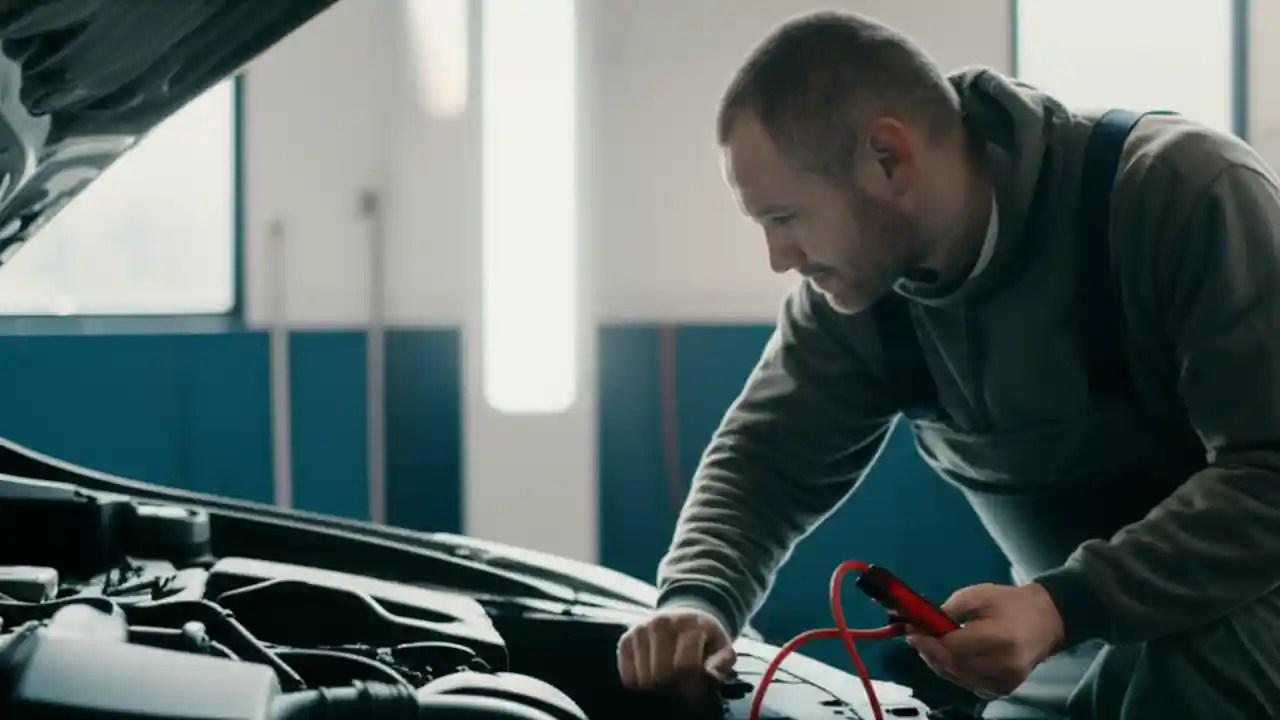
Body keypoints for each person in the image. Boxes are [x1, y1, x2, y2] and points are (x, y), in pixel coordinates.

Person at [613, 10, 1280, 720]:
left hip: (1239, 620)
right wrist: (698, 600)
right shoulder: (862, 289)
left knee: (1190, 666)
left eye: (785, 218)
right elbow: (765, 463)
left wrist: (1061, 605)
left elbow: (1270, 468)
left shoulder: (1180, 191)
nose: (781, 258)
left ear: (887, 158)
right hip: (1069, 648)